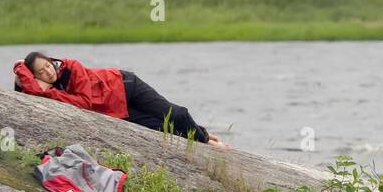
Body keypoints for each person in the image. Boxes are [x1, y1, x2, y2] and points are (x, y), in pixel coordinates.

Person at [13, 51, 231, 148]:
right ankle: (207, 138)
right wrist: (21, 68)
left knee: (176, 114)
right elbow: (26, 86)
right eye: (41, 72)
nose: (48, 72)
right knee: (162, 128)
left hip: (126, 87)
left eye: (48, 65)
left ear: (52, 61)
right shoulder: (53, 87)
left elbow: (85, 103)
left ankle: (206, 139)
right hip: (116, 110)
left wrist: (48, 90)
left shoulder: (72, 67)